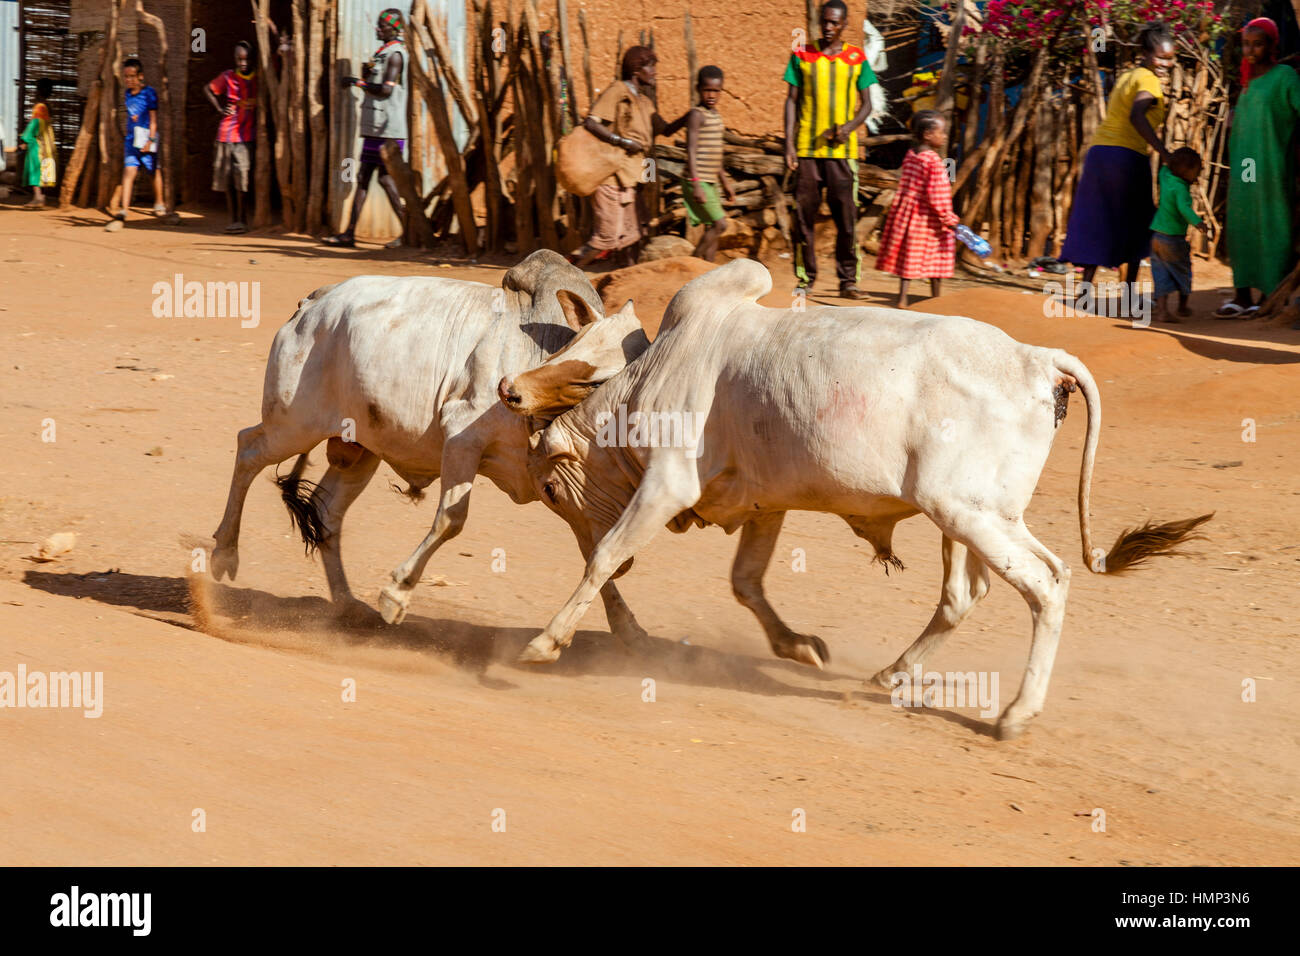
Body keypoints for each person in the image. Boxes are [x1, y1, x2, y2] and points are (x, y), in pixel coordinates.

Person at [1060, 22, 1177, 305]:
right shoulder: (1148, 79)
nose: (1165, 64)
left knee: (1098, 220)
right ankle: (1127, 296)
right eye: (1160, 58)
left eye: (1170, 59)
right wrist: (1164, 152)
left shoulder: (1128, 76)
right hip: (1125, 157)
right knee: (1136, 224)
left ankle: (1085, 293)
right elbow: (1137, 116)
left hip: (1100, 154)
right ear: (1146, 53)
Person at [783, 0, 885, 298]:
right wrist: (789, 143)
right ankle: (806, 278)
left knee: (847, 220)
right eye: (824, 22)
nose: (828, 27)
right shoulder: (801, 55)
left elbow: (867, 104)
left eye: (834, 23)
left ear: (844, 24)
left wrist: (848, 128)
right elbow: (791, 100)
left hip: (842, 153)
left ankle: (848, 281)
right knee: (803, 219)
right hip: (807, 151)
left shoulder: (856, 58)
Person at [569, 46, 687, 268]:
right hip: (611, 179)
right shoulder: (617, 91)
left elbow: (667, 130)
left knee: (632, 234)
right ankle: (565, 273)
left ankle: (628, 280)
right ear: (636, 70)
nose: (654, 72)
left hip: (630, 180)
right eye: (650, 67)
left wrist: (691, 115)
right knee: (606, 239)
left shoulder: (644, 102)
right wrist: (622, 142)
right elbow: (591, 122)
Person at [1219, 17, 1300, 318]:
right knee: (1242, 226)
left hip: (1272, 165)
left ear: (1271, 45)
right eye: (1246, 44)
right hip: (1246, 167)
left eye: (1258, 44)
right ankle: (1241, 295)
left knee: (1273, 226)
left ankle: (1267, 294)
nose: (1251, 50)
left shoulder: (1285, 76)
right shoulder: (1247, 79)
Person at [324, 9, 407, 248]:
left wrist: (357, 82)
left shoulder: (396, 55)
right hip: (376, 126)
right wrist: (366, 77)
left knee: (381, 179)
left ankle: (409, 230)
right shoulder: (383, 53)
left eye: (382, 25)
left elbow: (386, 90)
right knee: (371, 178)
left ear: (393, 28)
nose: (378, 29)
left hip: (387, 128)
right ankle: (350, 233)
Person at [874, 110, 959, 308]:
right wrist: (949, 218)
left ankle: (903, 298)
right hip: (928, 219)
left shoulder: (911, 155)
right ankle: (936, 300)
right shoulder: (934, 162)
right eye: (942, 132)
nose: (945, 136)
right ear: (928, 134)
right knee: (937, 257)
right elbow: (937, 194)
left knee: (909, 257)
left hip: (907, 213)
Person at [681, 66, 737, 262]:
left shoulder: (715, 115)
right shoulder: (697, 115)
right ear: (698, 89)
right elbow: (691, 149)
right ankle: (693, 262)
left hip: (710, 180)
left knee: (712, 226)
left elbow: (715, 154)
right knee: (720, 224)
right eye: (707, 90)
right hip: (697, 180)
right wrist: (695, 183)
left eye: (716, 91)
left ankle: (707, 269)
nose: (712, 95)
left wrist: (725, 182)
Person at [205, 41, 257, 234]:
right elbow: (208, 89)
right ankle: (233, 218)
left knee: (242, 176)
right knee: (228, 179)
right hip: (227, 134)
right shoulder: (228, 77)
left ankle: (242, 218)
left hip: (246, 136)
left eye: (246, 59)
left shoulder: (257, 78)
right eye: (239, 59)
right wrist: (220, 108)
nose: (243, 63)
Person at [1150, 148, 1206, 324]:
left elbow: (1165, 168)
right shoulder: (1181, 189)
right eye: (1196, 171)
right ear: (1187, 170)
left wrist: (1171, 161)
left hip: (1157, 237)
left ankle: (1162, 311)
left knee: (1160, 275)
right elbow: (1184, 209)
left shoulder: (1166, 178)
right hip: (1173, 239)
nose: (1197, 175)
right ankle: (1182, 307)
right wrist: (1198, 222)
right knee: (1183, 272)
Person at [115, 57, 165, 222]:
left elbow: (153, 119)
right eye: (126, 77)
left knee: (153, 171)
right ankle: (123, 209)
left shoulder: (149, 93)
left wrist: (150, 140)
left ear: (140, 76)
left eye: (131, 76)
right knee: (129, 172)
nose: (128, 80)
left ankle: (159, 203)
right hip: (131, 141)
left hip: (147, 139)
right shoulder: (127, 94)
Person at [18, 78, 57, 209]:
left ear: (38, 91)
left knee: (35, 169)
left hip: (37, 144)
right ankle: (42, 197)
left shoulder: (39, 107)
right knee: (43, 169)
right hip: (46, 143)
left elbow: (34, 125)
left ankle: (38, 197)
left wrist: (25, 139)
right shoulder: (47, 106)